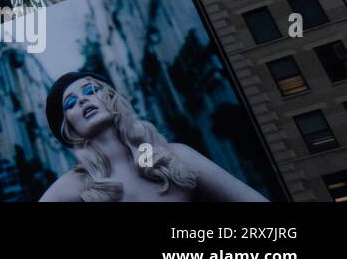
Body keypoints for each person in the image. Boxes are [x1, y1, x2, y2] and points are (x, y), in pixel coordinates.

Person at [38, 70, 268, 202]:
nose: (82, 99)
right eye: (70, 103)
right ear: (69, 127)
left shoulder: (174, 157)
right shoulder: (74, 185)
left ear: (112, 99)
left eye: (91, 90)